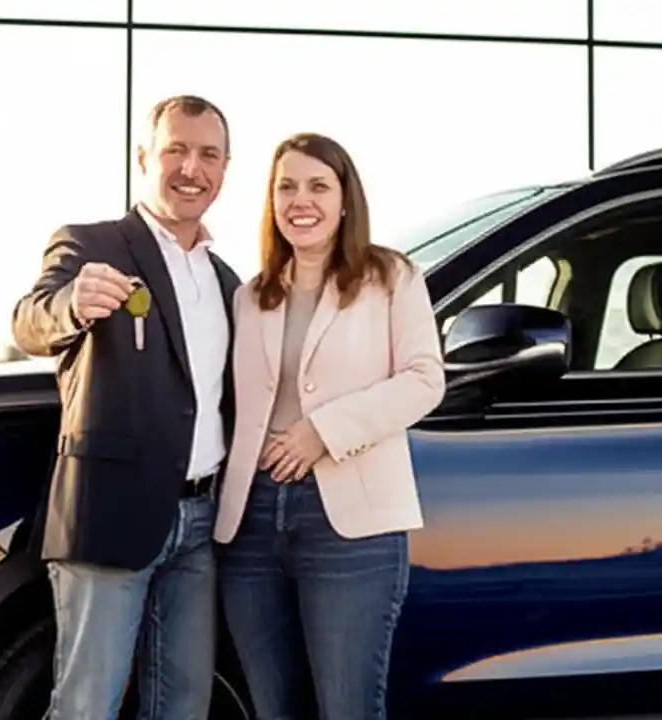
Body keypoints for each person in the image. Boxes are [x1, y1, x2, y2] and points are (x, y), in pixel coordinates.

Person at [11, 94, 240, 720]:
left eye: (208, 155)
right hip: (109, 517)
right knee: (87, 705)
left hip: (200, 525)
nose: (191, 168)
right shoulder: (90, 245)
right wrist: (73, 303)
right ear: (144, 158)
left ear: (224, 170)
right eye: (176, 150)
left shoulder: (228, 282)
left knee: (184, 706)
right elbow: (30, 320)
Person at [213, 132, 445, 720]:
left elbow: (425, 381)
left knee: (347, 708)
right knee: (274, 709)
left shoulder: (393, 278)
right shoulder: (250, 296)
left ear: (345, 200)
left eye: (318, 185)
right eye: (286, 187)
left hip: (351, 526)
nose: (301, 200)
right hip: (253, 523)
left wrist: (324, 430)